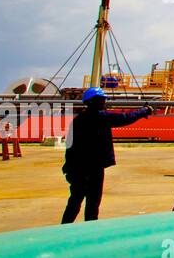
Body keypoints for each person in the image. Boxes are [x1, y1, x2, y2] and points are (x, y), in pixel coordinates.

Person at [61, 87, 155, 223]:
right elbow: (125, 118)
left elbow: (69, 146)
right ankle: (90, 229)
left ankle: (64, 228)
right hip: (93, 167)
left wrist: (68, 167)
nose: (104, 102)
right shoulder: (100, 117)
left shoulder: (78, 120)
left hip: (76, 168)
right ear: (96, 101)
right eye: (102, 99)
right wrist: (144, 111)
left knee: (75, 200)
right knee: (93, 202)